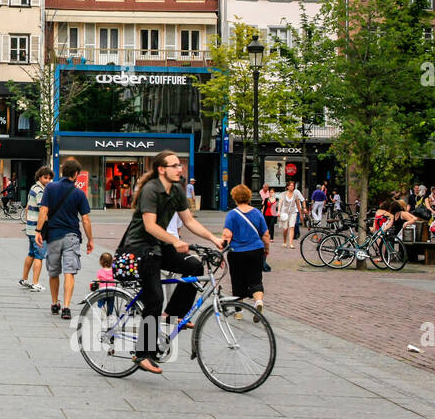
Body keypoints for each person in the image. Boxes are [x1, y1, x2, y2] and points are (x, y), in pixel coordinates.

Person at [117, 151, 222, 375]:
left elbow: (189, 220)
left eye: (179, 165)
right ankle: (142, 353)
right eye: (174, 165)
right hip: (141, 248)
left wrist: (214, 239)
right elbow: (150, 226)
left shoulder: (176, 191)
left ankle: (173, 314)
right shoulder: (151, 190)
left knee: (194, 266)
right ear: (161, 169)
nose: (179, 169)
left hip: (160, 245)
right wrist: (175, 241)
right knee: (155, 299)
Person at [35, 158, 95, 320]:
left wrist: (38, 231)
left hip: (53, 236)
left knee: (54, 272)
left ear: (63, 172)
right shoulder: (78, 193)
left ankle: (55, 303)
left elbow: (43, 210)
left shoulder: (50, 188)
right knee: (69, 272)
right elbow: (86, 219)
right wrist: (90, 239)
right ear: (75, 174)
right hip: (71, 236)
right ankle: (67, 307)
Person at [220, 184, 269, 316]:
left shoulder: (232, 214)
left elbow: (227, 235)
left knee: (237, 280)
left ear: (235, 198)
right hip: (256, 250)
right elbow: (265, 234)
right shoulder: (257, 213)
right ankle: (258, 301)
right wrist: (266, 249)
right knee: (256, 279)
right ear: (248, 197)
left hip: (237, 252)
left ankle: (239, 311)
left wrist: (221, 254)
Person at [19, 167, 51, 292]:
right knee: (39, 255)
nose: (48, 180)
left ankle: (24, 279)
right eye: (45, 178)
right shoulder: (40, 191)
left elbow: (27, 208)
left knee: (31, 253)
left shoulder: (33, 188)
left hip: (30, 227)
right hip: (38, 229)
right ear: (39, 177)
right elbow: (43, 208)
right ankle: (35, 283)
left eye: (49, 178)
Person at [276, 181, 302, 249]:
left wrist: (301, 214)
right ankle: (284, 241)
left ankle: (291, 243)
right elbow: (280, 203)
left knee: (292, 227)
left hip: (293, 212)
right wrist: (278, 211)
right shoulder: (283, 194)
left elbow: (298, 205)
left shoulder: (295, 195)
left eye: (293, 185)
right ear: (287, 186)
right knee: (285, 229)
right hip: (284, 213)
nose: (292, 187)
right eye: (290, 185)